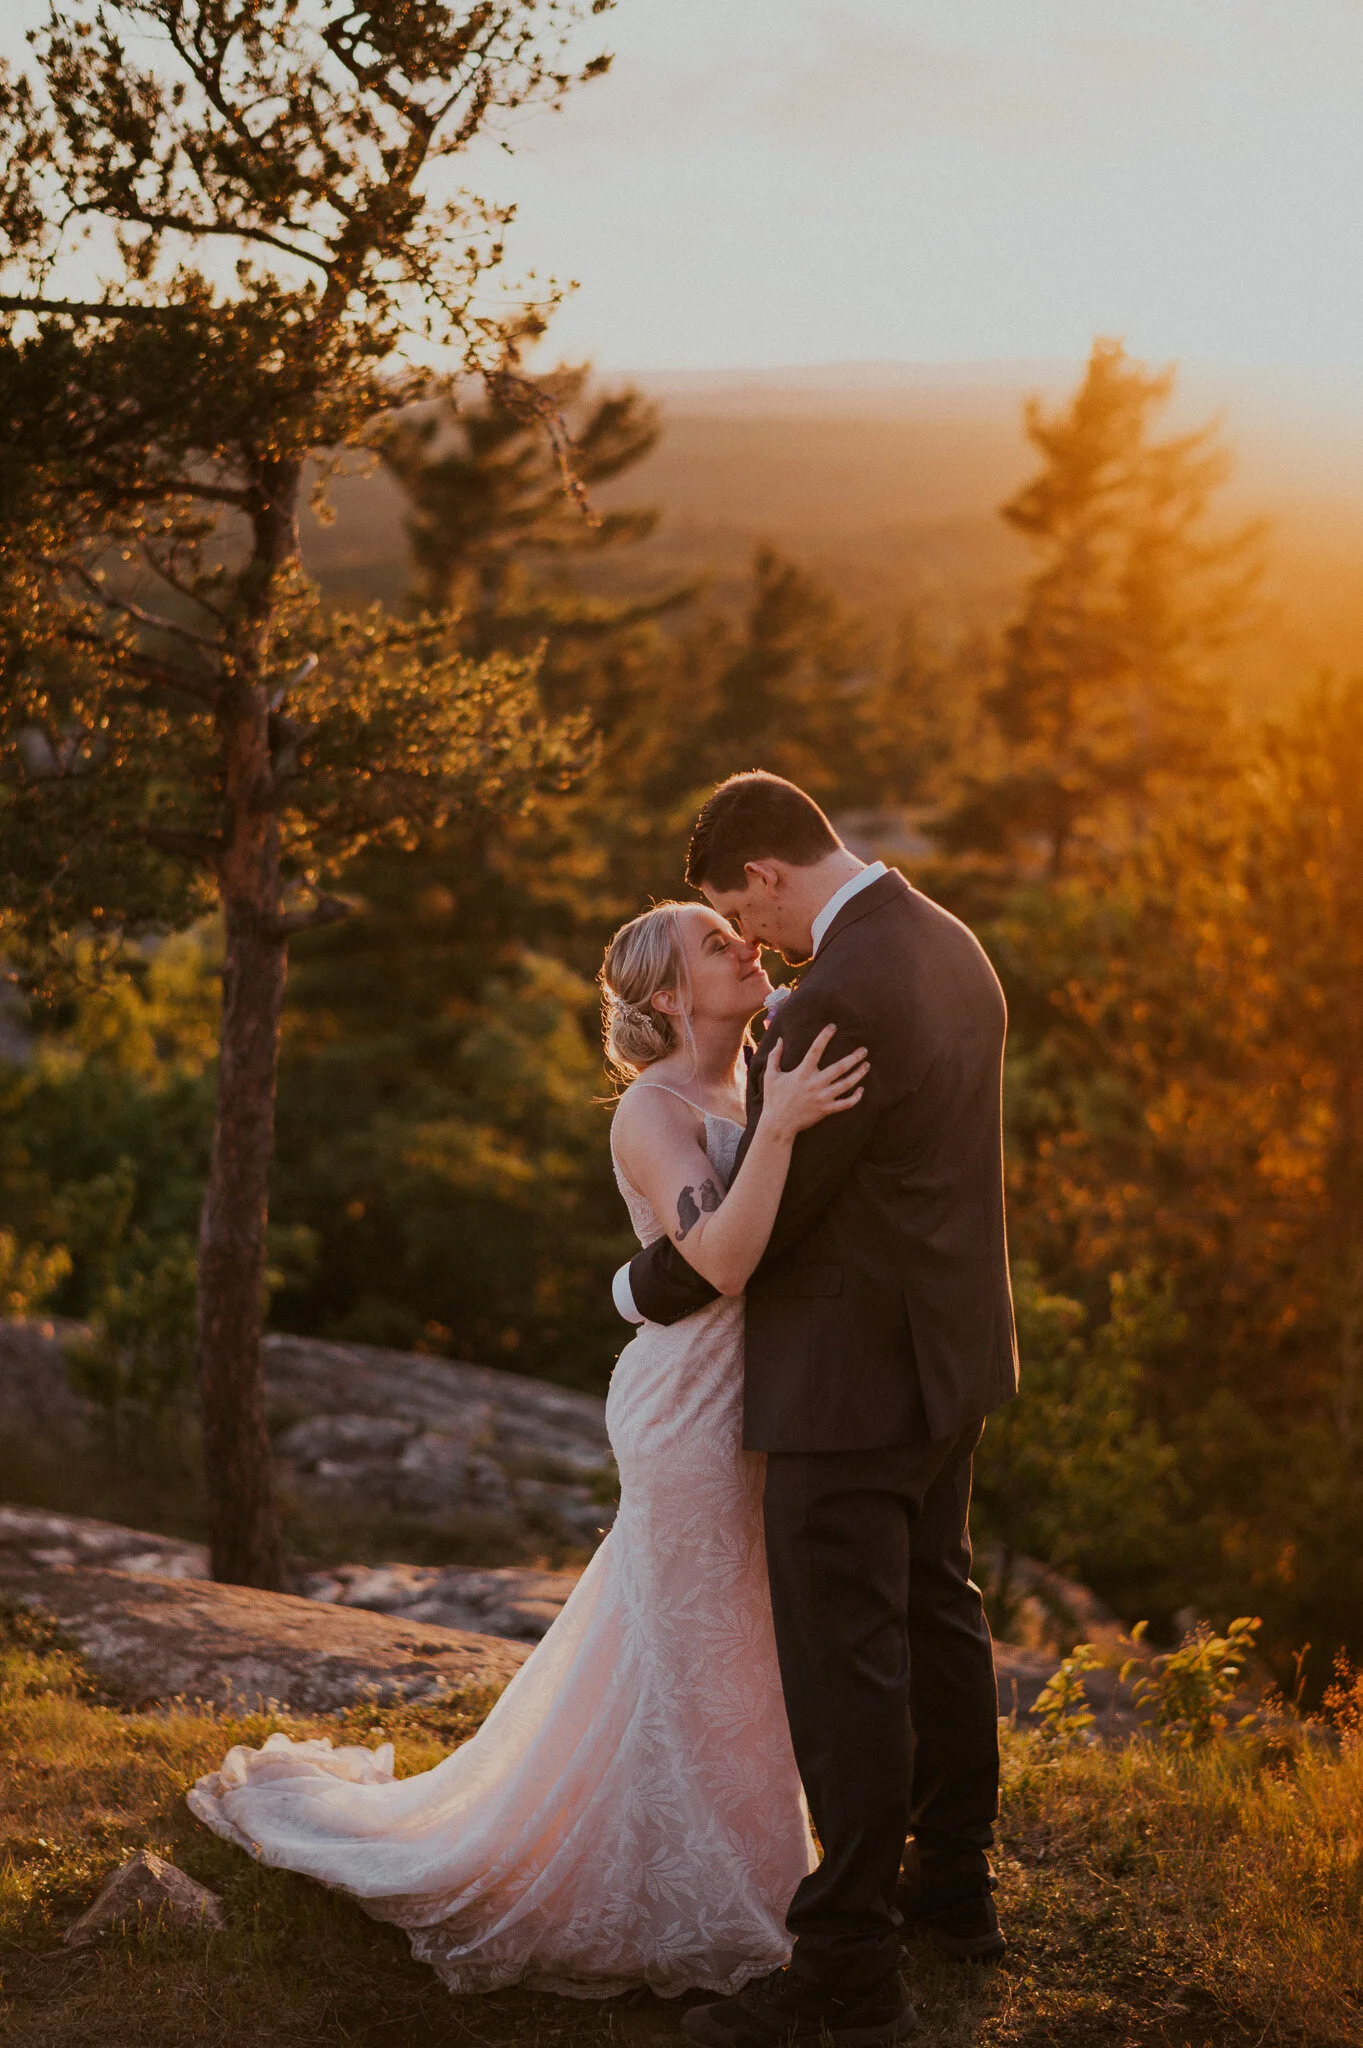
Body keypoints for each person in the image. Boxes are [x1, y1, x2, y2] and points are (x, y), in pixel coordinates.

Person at [187, 894, 869, 2005]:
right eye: (714, 942)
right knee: (702, 1647)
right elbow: (727, 1265)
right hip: (689, 1408)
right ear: (665, 994)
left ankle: (754, 1866)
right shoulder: (651, 1111)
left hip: (770, 1400)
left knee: (733, 1644)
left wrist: (782, 1092)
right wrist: (783, 1126)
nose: (746, 944)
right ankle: (717, 1891)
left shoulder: (760, 1060)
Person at [614, 771, 1019, 2048]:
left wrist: (639, 1282)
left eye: (744, 913)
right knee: (939, 1612)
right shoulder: (944, 938)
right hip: (946, 1358)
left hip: (848, 1379)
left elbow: (759, 1232)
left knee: (847, 1657)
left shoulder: (834, 996)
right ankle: (952, 1888)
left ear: (767, 875)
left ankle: (848, 1965)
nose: (755, 942)